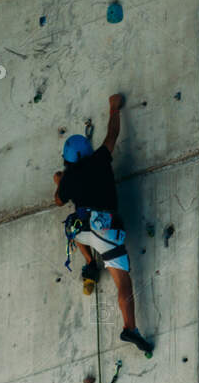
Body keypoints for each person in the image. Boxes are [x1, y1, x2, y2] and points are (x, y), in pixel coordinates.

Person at [54, 93, 154, 355]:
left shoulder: (68, 178)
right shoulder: (100, 158)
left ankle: (89, 263)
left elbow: (57, 200)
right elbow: (112, 134)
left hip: (83, 227)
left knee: (71, 227)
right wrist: (113, 107)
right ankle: (129, 328)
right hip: (106, 228)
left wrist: (59, 181)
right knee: (123, 282)